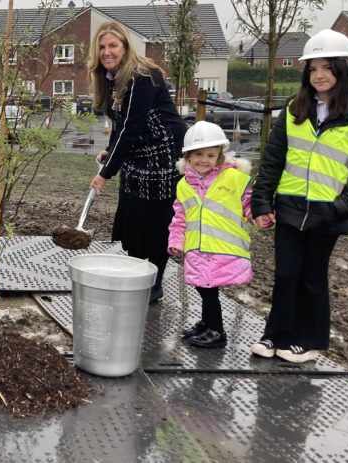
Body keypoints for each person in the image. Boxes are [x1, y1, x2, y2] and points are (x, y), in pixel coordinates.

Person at [251, 29, 348, 363]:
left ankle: (309, 341)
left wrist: (342, 208)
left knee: (312, 278)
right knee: (285, 274)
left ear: (342, 69)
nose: (319, 75)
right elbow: (273, 159)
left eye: (327, 67)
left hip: (328, 212)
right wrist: (262, 202)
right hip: (290, 208)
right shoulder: (294, 109)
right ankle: (274, 335)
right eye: (313, 68)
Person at [87, 20, 186, 303]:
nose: (107, 52)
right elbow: (120, 126)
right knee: (132, 217)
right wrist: (110, 150)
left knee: (155, 221)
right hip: (136, 156)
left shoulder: (144, 76)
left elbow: (131, 126)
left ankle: (153, 284)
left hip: (163, 155)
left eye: (113, 45)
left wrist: (106, 172)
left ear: (125, 47)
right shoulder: (109, 79)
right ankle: (136, 272)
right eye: (103, 47)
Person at [168, 121, 253, 348]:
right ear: (187, 156)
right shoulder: (184, 184)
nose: (203, 160)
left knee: (209, 289)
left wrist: (260, 216)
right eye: (197, 154)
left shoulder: (234, 179)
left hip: (222, 247)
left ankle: (217, 331)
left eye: (210, 155)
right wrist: (177, 240)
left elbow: (249, 203)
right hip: (197, 247)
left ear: (220, 156)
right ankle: (207, 323)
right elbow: (180, 217)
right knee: (203, 286)